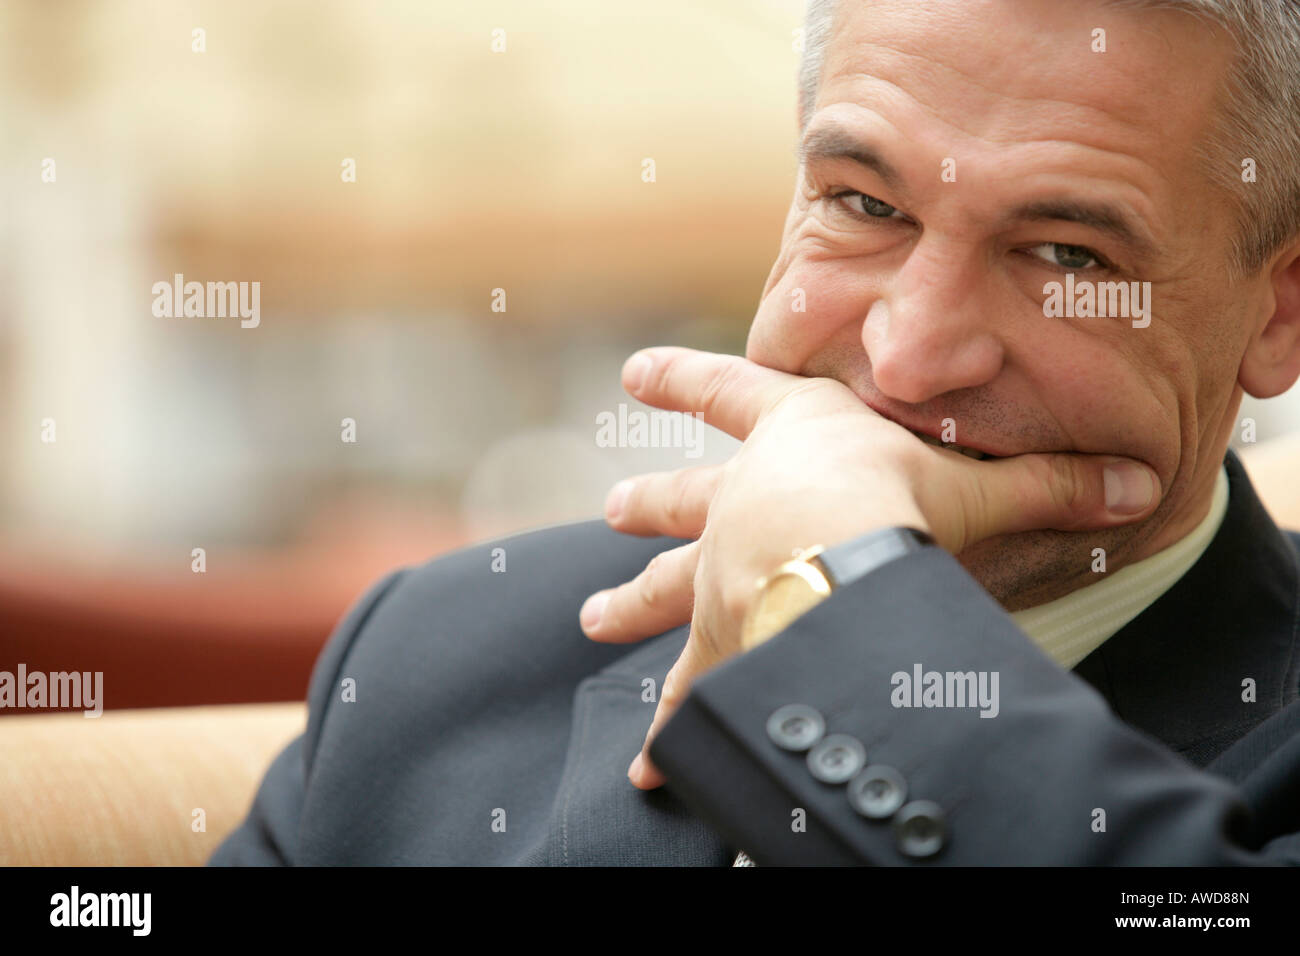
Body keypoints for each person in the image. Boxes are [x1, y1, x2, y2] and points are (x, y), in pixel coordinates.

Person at [212, 0, 1300, 865]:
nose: (911, 352)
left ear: (1278, 308)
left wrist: (845, 601)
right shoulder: (433, 654)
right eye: (865, 204)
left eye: (1067, 255)